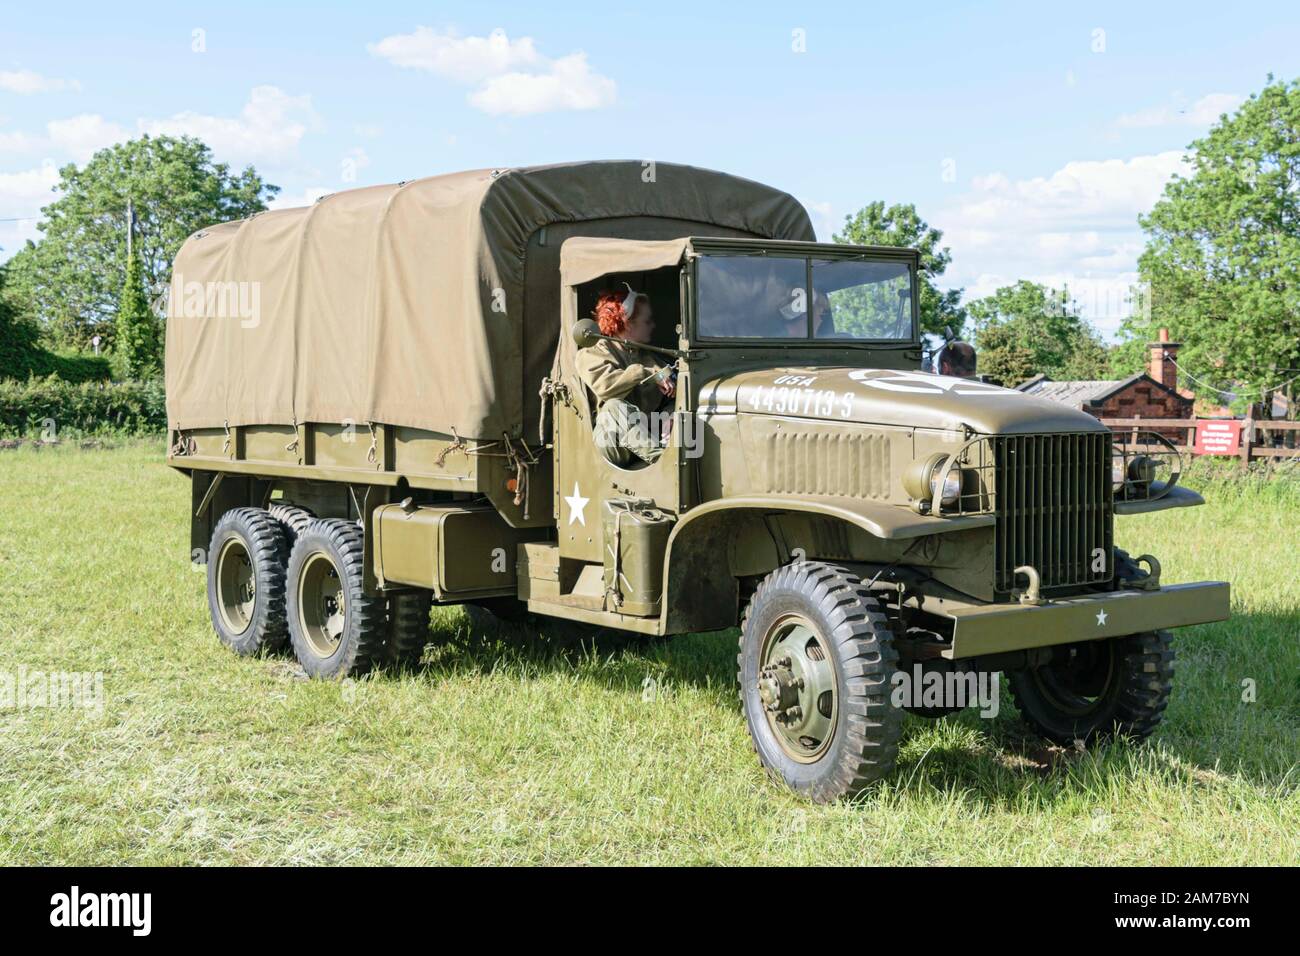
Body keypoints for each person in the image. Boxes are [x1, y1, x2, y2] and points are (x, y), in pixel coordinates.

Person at [576, 284, 676, 466]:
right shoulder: (591, 354)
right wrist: (646, 373)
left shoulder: (649, 358)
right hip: (612, 446)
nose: (653, 326)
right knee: (614, 406)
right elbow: (606, 388)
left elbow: (674, 397)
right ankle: (663, 463)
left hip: (646, 440)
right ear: (628, 324)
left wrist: (670, 416)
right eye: (647, 321)